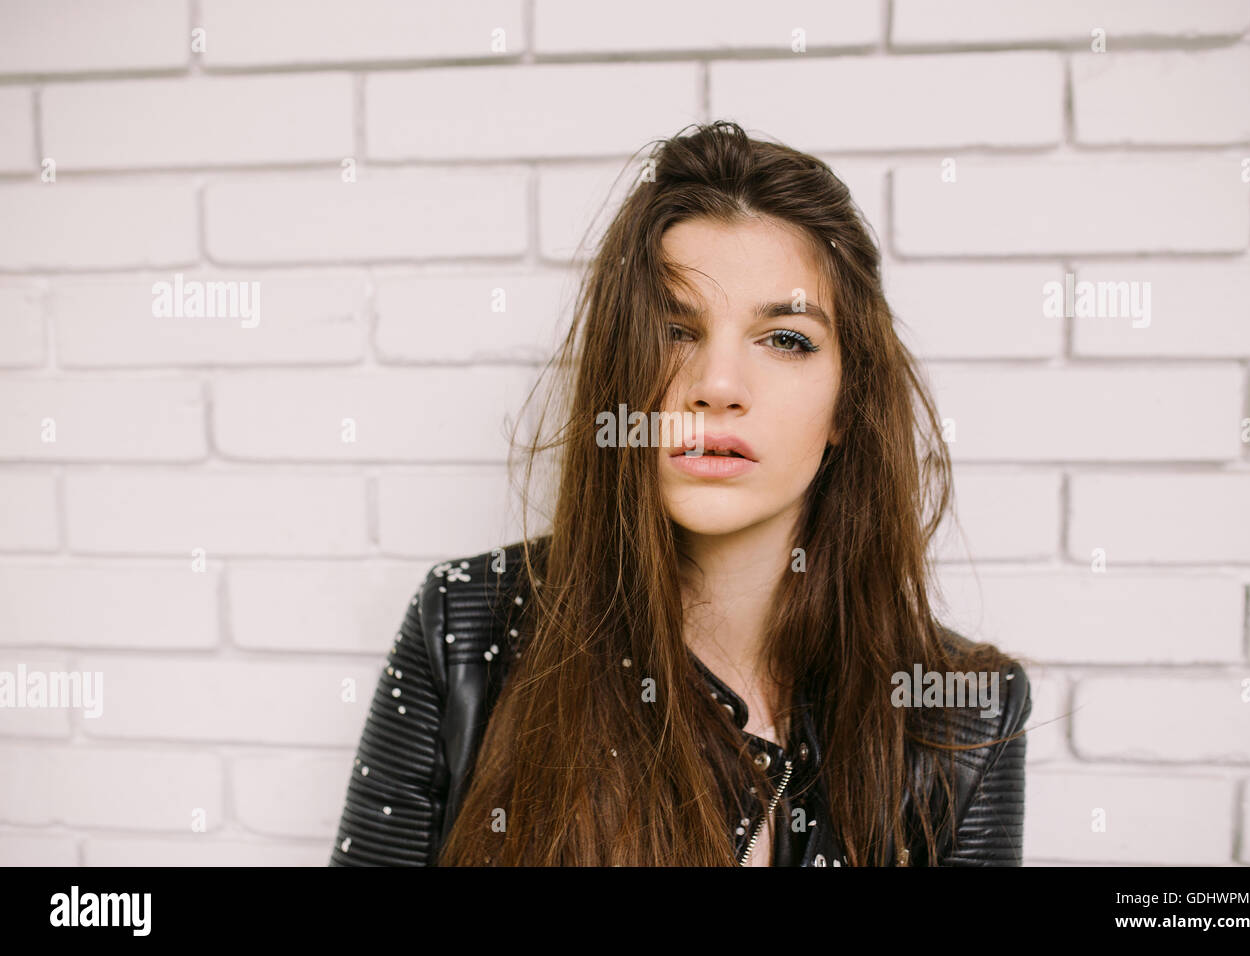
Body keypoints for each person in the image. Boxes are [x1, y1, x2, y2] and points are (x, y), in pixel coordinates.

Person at [329, 120, 1031, 867]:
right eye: (674, 330)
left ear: (847, 404)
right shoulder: (464, 625)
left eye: (785, 338)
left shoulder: (960, 712)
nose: (718, 387)